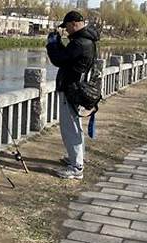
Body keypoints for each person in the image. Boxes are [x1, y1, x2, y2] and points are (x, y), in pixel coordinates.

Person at [46, 11, 99, 179]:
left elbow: (59, 60)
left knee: (70, 127)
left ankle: (76, 167)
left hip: (72, 88)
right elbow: (67, 58)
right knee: (74, 125)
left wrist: (52, 45)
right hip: (77, 88)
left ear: (74, 23)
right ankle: (76, 158)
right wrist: (58, 43)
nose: (66, 30)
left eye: (67, 26)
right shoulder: (85, 40)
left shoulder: (80, 43)